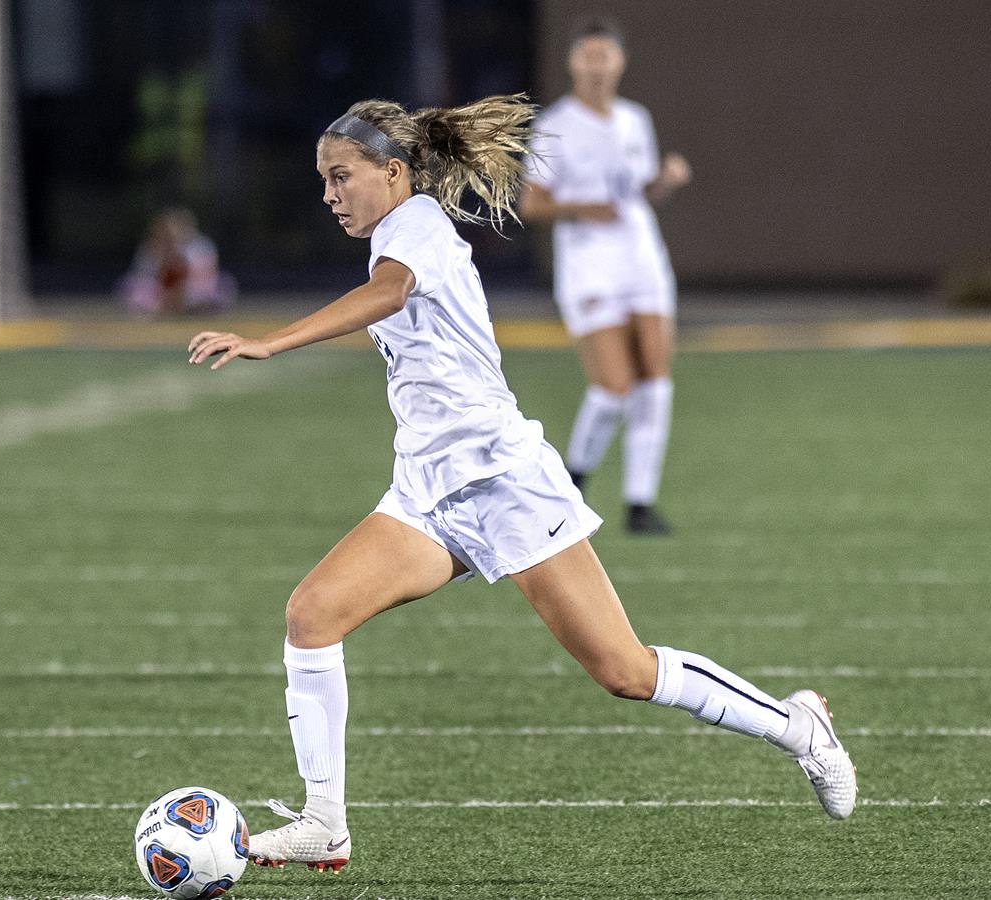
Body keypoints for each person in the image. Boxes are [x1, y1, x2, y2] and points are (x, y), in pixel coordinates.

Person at [186, 94, 856, 873]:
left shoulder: (418, 229)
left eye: (340, 178)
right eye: (324, 180)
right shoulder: (395, 236)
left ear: (394, 172)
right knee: (311, 617)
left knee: (625, 672)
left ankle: (799, 727)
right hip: (428, 489)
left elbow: (391, 294)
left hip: (503, 482)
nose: (329, 195)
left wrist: (272, 341)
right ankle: (324, 823)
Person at [521, 16, 690, 535]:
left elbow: (635, 193)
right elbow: (532, 202)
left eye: (605, 57)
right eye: (586, 57)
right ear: (573, 63)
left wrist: (665, 180)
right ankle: (569, 482)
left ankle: (640, 503)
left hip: (642, 258)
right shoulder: (554, 125)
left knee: (654, 382)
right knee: (614, 386)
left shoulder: (634, 119)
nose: (596, 67)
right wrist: (582, 208)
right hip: (590, 267)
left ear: (620, 62)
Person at [118, 207, 236, 317]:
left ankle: (186, 307)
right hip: (160, 292)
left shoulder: (201, 245)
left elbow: (205, 274)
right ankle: (171, 308)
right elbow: (143, 275)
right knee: (132, 288)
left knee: (223, 286)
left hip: (192, 290)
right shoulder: (152, 247)